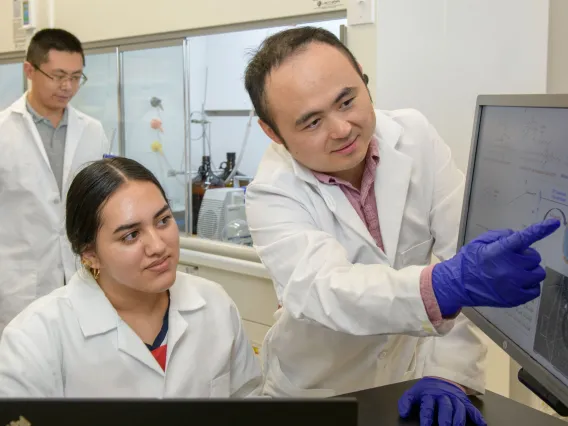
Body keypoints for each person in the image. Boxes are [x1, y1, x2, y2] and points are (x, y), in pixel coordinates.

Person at [243, 27, 560, 425]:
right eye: (311, 123)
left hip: (408, 383)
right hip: (320, 392)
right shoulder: (271, 192)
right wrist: (441, 285)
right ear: (272, 131)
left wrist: (448, 374)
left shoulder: (415, 137)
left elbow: (462, 254)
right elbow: (324, 290)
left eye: (347, 100)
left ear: (362, 76)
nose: (341, 129)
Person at [0, 157, 262, 397]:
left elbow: (247, 402)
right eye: (131, 235)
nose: (158, 246)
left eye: (163, 221)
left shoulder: (214, 303)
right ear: (90, 254)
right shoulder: (35, 338)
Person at [0, 28, 110, 334]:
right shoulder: (4, 132)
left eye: (76, 77)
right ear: (29, 70)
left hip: (81, 276)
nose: (67, 86)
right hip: (17, 285)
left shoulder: (92, 130)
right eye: (58, 75)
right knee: (21, 370)